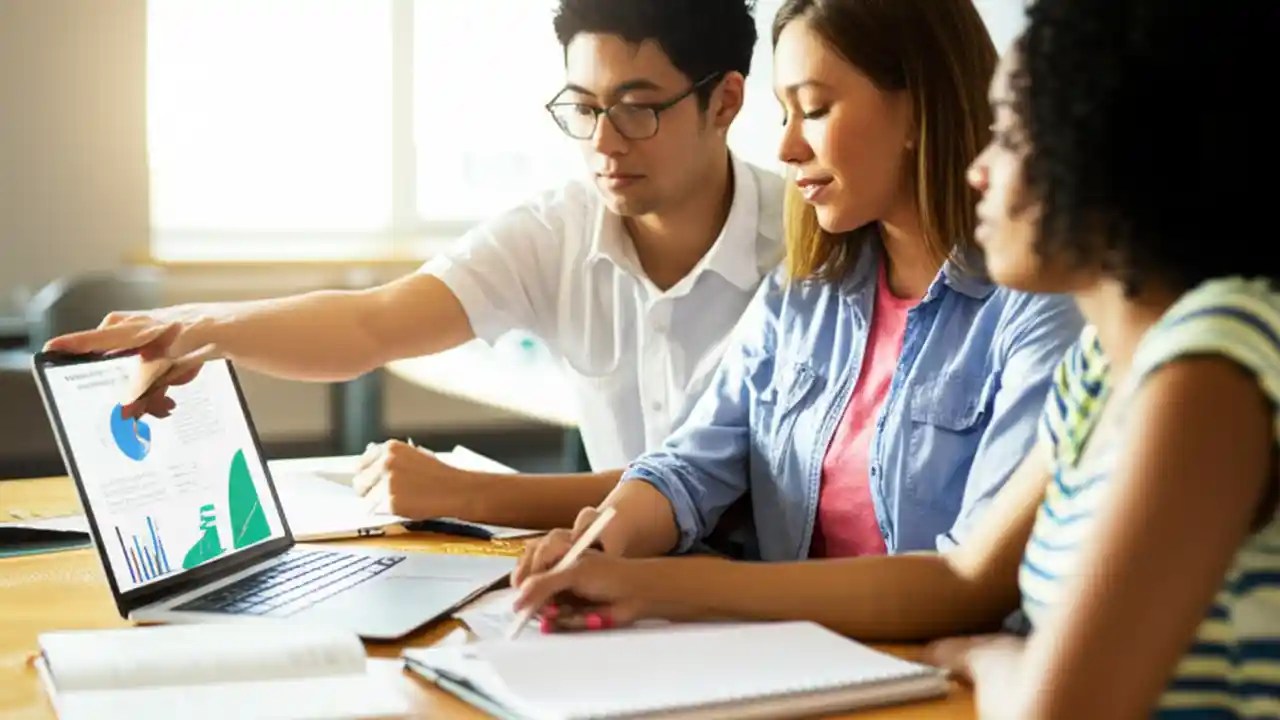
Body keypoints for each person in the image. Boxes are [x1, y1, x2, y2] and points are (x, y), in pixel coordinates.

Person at [514, 1, 1280, 717]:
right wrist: (629, 572)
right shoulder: (1104, 372)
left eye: (1010, 133)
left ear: (1102, 144)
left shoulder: (1203, 365)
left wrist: (995, 659)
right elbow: (967, 576)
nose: (981, 164)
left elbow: (1057, 700)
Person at [45, 0, 783, 530]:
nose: (604, 143)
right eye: (584, 108)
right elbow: (374, 322)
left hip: (770, 592)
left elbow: (725, 486)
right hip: (611, 575)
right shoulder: (561, 227)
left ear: (724, 103)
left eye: (636, 108)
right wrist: (196, 330)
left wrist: (470, 494)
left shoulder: (808, 246)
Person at [513, 0, 1081, 578]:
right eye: (784, 113)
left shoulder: (1035, 309)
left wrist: (678, 589)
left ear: (918, 109)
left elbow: (967, 578)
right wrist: (601, 545)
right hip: (792, 651)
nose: (787, 148)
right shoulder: (802, 293)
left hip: (929, 659)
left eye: (813, 109)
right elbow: (689, 465)